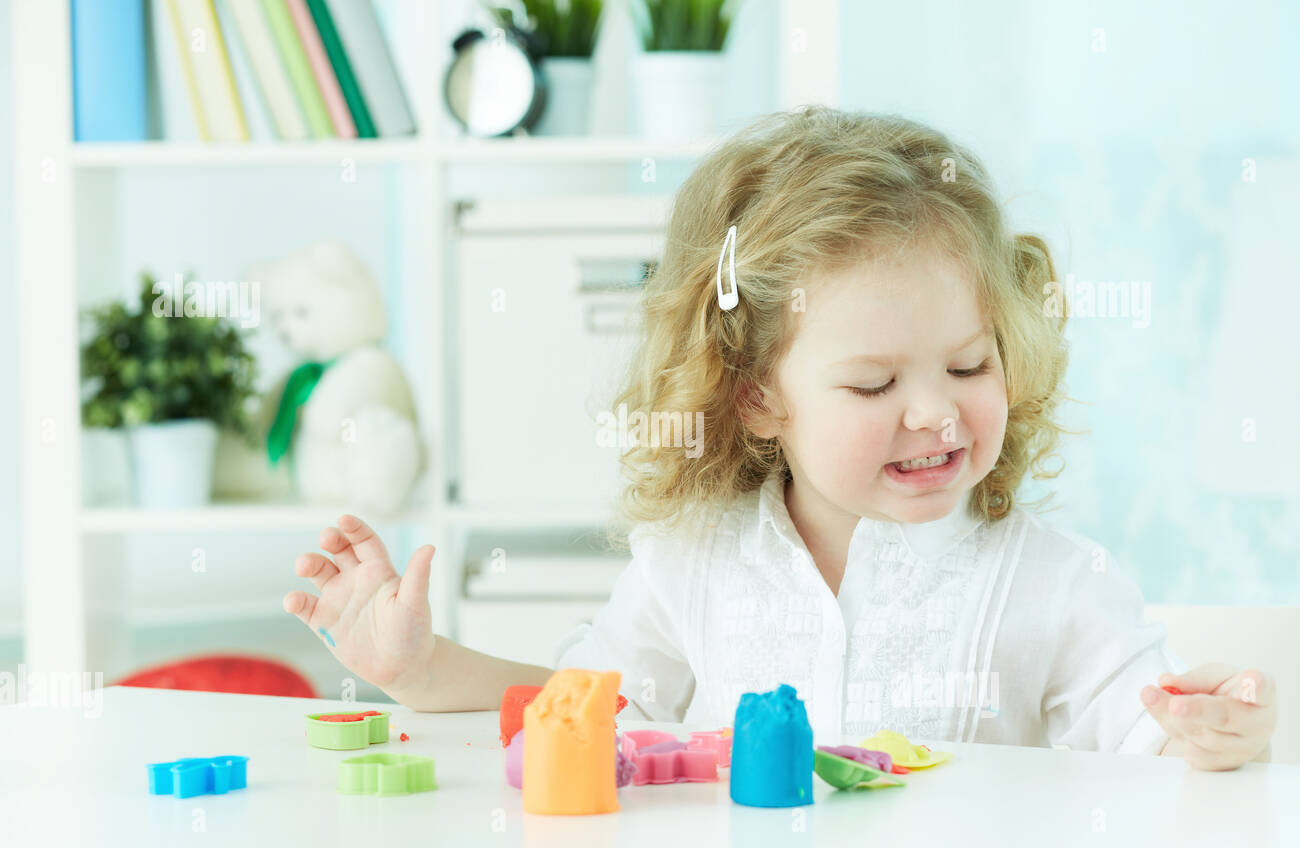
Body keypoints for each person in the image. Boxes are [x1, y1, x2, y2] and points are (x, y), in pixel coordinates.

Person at [283, 107, 1274, 770]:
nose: (933, 410)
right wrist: (419, 666)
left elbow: (1149, 741)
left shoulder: (1058, 581)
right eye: (873, 382)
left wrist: (1216, 732)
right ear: (755, 396)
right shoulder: (692, 563)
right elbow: (581, 709)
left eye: (970, 366)